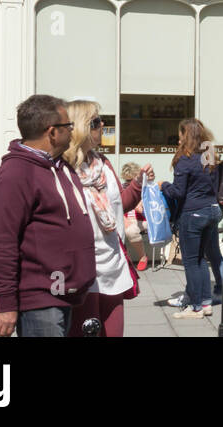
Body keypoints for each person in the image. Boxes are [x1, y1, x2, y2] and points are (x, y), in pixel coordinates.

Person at [0, 94, 96, 337]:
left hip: (66, 290)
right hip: (39, 298)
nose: (73, 132)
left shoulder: (60, 167)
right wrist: (5, 304)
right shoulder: (16, 174)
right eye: (69, 126)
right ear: (52, 132)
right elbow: (0, 242)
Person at [62, 102, 152, 337]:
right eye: (95, 122)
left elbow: (118, 204)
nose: (102, 125)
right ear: (80, 128)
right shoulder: (62, 169)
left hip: (112, 262)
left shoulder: (103, 163)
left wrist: (138, 183)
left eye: (101, 121)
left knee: (114, 333)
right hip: (82, 269)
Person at [159, 119, 223, 317]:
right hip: (212, 211)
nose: (178, 139)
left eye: (180, 135)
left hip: (193, 214)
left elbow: (178, 192)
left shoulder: (185, 160)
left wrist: (163, 185)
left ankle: (196, 306)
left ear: (185, 136)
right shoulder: (210, 156)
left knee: (191, 261)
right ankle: (205, 303)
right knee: (200, 260)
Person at [121, 162, 150, 271]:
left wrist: (142, 207)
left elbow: (153, 210)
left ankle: (143, 256)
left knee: (131, 231)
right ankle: (124, 259)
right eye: (127, 180)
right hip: (125, 219)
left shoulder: (146, 188)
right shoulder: (122, 188)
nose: (129, 183)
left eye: (131, 180)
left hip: (142, 219)